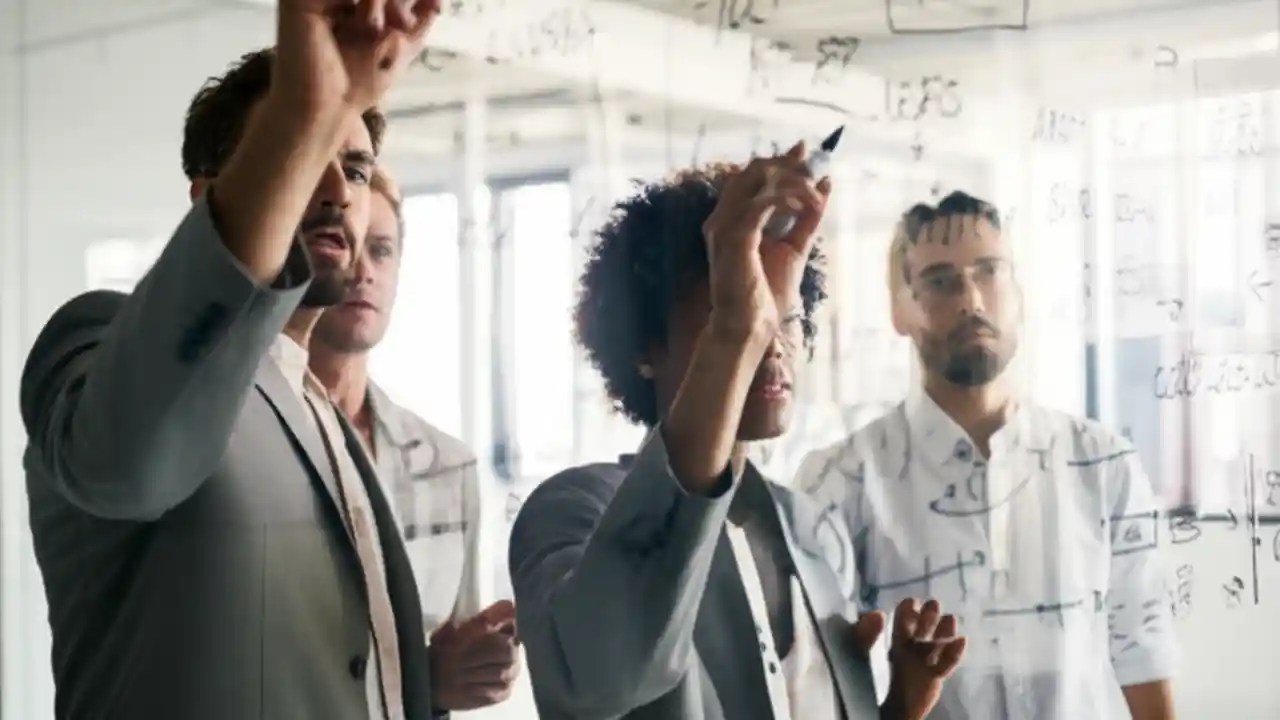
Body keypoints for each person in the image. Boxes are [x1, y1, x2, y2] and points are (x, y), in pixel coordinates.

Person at [19, 2, 447, 718]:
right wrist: (297, 113)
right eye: (312, 154)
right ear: (206, 195)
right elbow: (127, 464)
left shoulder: (324, 416)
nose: (340, 191)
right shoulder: (101, 340)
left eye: (357, 167)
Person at [509, 147, 968, 720]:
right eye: (738, 315)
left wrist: (899, 704)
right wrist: (736, 326)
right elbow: (602, 683)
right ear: (645, 347)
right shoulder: (571, 510)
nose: (770, 343)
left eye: (788, 319)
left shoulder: (810, 529)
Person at [795, 191, 1177, 719]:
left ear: (1018, 292)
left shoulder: (1104, 465)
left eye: (989, 272)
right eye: (939, 280)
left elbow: (1144, 653)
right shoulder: (841, 483)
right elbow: (818, 693)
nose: (972, 299)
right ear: (898, 310)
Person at [309, 167, 522, 712]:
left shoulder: (448, 468)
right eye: (344, 245)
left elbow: (457, 674)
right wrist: (420, 679)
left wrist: (477, 666)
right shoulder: (241, 447)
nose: (363, 271)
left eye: (381, 250)